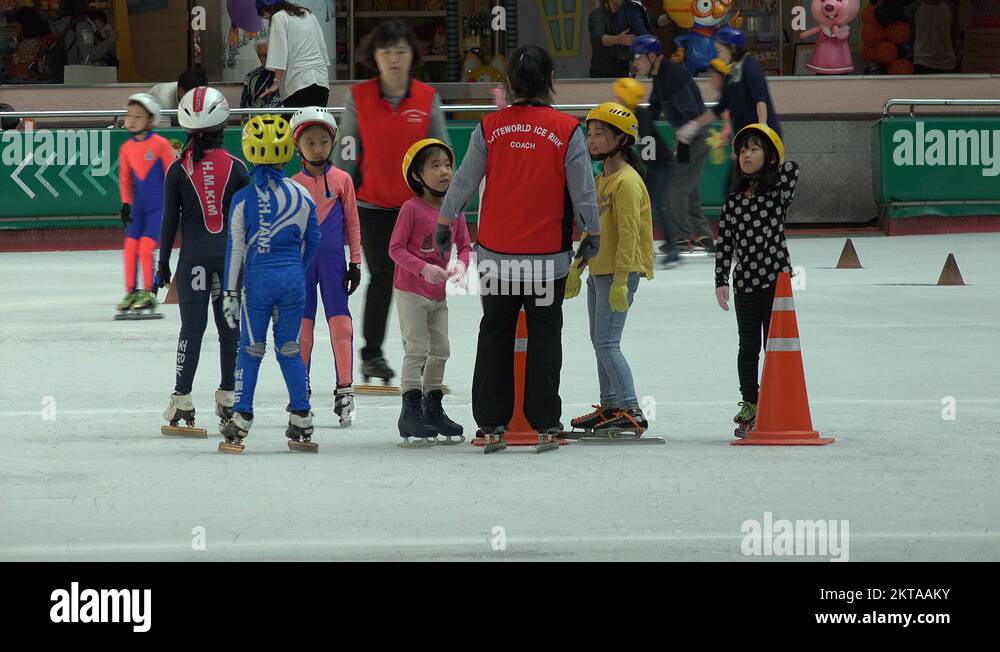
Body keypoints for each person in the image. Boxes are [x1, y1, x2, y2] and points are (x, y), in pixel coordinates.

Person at [435, 45, 601, 451]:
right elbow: (583, 189)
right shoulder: (567, 129)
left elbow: (464, 180)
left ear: (507, 85)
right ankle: (545, 423)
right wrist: (591, 232)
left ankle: (492, 424)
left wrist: (444, 220)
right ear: (551, 83)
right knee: (545, 337)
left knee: (495, 333)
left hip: (496, 260)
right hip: (547, 262)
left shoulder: (489, 128)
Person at [332, 20, 450, 386]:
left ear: (412, 55)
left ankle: (427, 359)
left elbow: (442, 153)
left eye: (401, 50)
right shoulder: (360, 97)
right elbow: (346, 153)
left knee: (424, 282)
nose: (394, 58)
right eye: (386, 51)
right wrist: (338, 201)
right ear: (374, 57)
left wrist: (445, 205)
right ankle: (372, 354)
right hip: (373, 208)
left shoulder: (428, 99)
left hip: (417, 209)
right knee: (385, 277)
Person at [220, 115, 320, 453]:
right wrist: (295, 269)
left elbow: (235, 247)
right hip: (293, 281)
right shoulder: (303, 194)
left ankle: (242, 417)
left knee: (250, 349)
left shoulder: (244, 199)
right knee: (289, 348)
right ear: (289, 152)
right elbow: (314, 241)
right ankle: (302, 417)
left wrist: (231, 292)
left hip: (258, 283)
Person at [159, 87, 249, 433]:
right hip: (230, 262)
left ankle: (182, 400)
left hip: (192, 261)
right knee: (230, 332)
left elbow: (170, 221)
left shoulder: (178, 169)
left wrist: (162, 264)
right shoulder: (239, 168)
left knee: (192, 330)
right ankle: (228, 399)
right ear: (223, 124)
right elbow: (249, 221)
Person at [565, 102, 654, 437]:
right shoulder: (601, 179)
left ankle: (631, 409)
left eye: (601, 133)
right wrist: (577, 266)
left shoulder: (627, 183)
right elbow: (592, 228)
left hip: (620, 273)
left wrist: (621, 280)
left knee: (607, 342)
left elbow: (630, 234)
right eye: (590, 132)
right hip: (599, 271)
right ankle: (611, 406)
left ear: (622, 139)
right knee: (599, 341)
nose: (593, 139)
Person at [713, 124, 799, 437]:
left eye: (754, 149)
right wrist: (721, 278)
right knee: (748, 345)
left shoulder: (777, 193)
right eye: (743, 151)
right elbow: (724, 243)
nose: (747, 155)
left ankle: (776, 399)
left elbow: (792, 168)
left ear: (770, 156)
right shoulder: (733, 201)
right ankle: (750, 401)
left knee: (773, 346)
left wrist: (772, 154)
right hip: (745, 282)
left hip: (777, 282)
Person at [389, 139, 472, 447]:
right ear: (417, 176)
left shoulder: (454, 209)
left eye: (447, 165)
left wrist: (462, 266)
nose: (444, 172)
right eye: (435, 166)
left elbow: (464, 245)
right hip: (411, 290)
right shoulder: (411, 209)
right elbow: (395, 249)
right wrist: (422, 268)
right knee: (417, 349)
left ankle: (432, 407)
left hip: (438, 295)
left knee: (441, 349)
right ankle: (409, 412)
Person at [289, 106, 362, 426]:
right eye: (309, 143)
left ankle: (344, 389)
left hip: (333, 264)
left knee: (341, 325)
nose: (317, 148)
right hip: (301, 265)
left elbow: (353, 224)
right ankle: (299, 391)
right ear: (298, 147)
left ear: (332, 142)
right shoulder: (292, 184)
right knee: (302, 328)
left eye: (322, 141)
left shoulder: (343, 179)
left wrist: (356, 261)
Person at [632, 34, 715, 255]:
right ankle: (703, 234)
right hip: (686, 135)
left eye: (638, 58)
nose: (636, 63)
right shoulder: (660, 76)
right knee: (689, 188)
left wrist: (684, 141)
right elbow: (654, 108)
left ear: (651, 56)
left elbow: (691, 113)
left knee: (675, 187)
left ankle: (682, 237)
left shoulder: (672, 74)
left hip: (694, 134)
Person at [115, 93, 175, 317]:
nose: (131, 120)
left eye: (138, 116)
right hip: (137, 210)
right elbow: (125, 180)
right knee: (130, 248)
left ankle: (149, 293)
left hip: (158, 209)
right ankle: (131, 292)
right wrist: (126, 204)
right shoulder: (126, 148)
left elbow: (172, 174)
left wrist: (175, 203)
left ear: (150, 120)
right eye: (129, 115)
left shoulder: (160, 145)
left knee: (145, 248)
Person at [612, 76, 676, 267]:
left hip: (661, 166)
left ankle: (672, 246)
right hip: (653, 167)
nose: (617, 100)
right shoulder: (630, 115)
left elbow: (647, 147)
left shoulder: (641, 116)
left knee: (654, 203)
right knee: (642, 205)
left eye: (619, 97)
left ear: (626, 98)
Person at [686, 28, 781, 140]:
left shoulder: (751, 68)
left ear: (732, 48)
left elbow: (760, 100)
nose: (719, 56)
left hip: (762, 137)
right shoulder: (732, 73)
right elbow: (720, 107)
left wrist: (762, 128)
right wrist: (694, 126)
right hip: (744, 137)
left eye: (720, 50)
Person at [255, 0, 330, 107]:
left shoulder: (278, 17)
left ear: (268, 9)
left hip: (297, 83)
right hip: (321, 82)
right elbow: (322, 46)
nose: (266, 19)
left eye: (264, 15)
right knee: (316, 123)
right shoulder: (308, 14)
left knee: (296, 123)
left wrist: (276, 83)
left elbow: (279, 52)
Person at [589, 0, 635, 78]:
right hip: (602, 73)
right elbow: (600, 38)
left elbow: (652, 21)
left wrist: (662, 18)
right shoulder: (597, 15)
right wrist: (619, 39)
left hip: (623, 72)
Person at [913, 0, 958, 75]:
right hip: (925, 61)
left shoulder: (950, 7)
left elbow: (954, 33)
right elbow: (954, 34)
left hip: (938, 62)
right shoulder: (916, 7)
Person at [6, 7, 50, 82]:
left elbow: (22, 66)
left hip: (24, 80)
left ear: (24, 25)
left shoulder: (28, 44)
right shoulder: (39, 40)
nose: (16, 28)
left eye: (17, 24)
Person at [240, 41, 282, 110]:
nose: (269, 58)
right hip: (260, 119)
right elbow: (245, 110)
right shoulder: (252, 77)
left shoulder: (290, 74)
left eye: (271, 54)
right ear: (259, 58)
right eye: (265, 56)